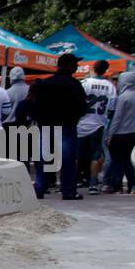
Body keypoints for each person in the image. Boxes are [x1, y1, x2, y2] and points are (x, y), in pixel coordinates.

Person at [26, 53, 87, 199]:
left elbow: (34, 105)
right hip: (66, 126)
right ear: (68, 65)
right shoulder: (74, 84)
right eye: (75, 64)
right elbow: (82, 107)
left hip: (46, 126)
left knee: (43, 158)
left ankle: (39, 188)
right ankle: (68, 191)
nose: (77, 66)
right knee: (67, 159)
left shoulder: (45, 84)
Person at [78, 59, 116, 194]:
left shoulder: (85, 83)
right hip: (99, 122)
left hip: (81, 123)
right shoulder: (110, 86)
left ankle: (74, 180)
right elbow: (111, 108)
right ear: (106, 70)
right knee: (96, 155)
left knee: (77, 155)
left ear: (93, 68)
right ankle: (93, 184)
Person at [105, 71, 135, 194]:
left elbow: (117, 118)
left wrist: (110, 134)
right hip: (133, 132)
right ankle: (133, 185)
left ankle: (117, 186)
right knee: (126, 160)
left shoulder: (122, 97)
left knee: (117, 161)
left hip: (119, 133)